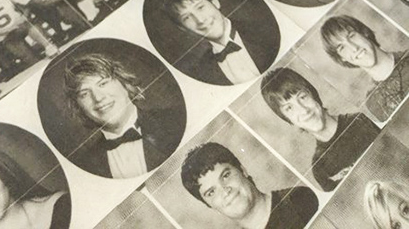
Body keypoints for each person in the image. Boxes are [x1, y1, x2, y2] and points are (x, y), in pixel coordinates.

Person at [63, 52, 182, 178]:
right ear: (79, 107)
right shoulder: (86, 167)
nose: (98, 98)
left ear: (124, 83)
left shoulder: (177, 118)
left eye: (103, 84)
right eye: (84, 94)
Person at [260, 67, 379, 191]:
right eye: (289, 108)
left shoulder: (363, 120)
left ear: (314, 95)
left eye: (302, 97)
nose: (304, 110)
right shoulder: (320, 168)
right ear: (287, 119)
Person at [180, 141, 318, 228]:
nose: (225, 190)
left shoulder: (299, 199)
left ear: (242, 170)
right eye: (211, 192)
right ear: (209, 205)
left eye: (226, 176)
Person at [169, 0, 266, 85]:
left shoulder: (264, 30)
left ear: (215, 2)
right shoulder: (201, 72)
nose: (200, 20)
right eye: (187, 17)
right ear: (182, 28)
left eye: (200, 7)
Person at [320, 14, 409, 121]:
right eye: (342, 47)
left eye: (351, 36)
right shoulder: (374, 102)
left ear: (364, 33)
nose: (354, 48)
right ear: (342, 58)